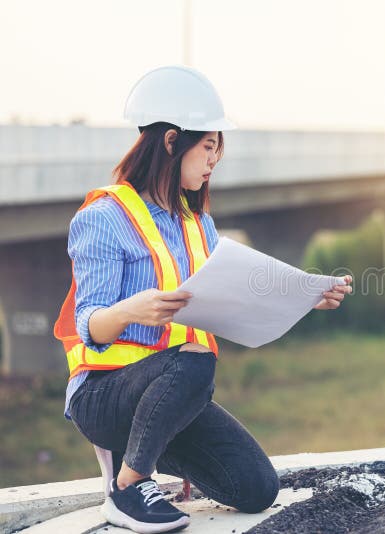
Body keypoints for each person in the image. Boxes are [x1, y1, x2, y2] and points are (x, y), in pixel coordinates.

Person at [53, 65, 353, 533]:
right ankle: (128, 487)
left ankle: (145, 452)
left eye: (218, 149)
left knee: (256, 489)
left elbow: (235, 290)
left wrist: (304, 296)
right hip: (105, 395)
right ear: (172, 141)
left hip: (173, 395)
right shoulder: (105, 216)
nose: (215, 159)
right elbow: (88, 323)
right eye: (209, 145)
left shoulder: (198, 224)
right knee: (193, 359)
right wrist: (133, 310)